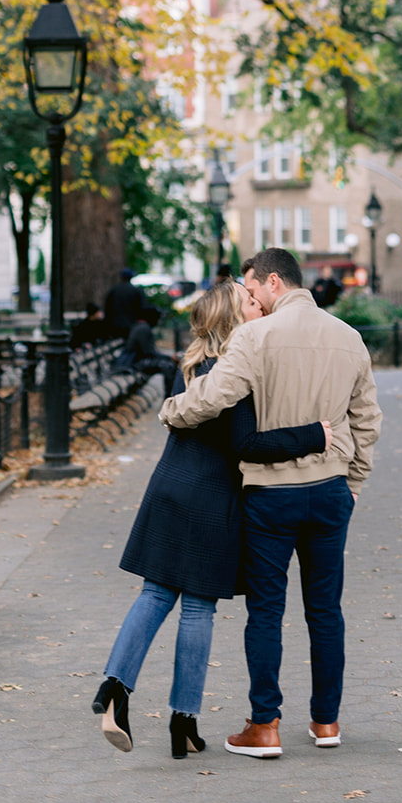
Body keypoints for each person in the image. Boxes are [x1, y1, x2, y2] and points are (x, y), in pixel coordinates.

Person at [160, 246, 382, 760]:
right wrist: (354, 484)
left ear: (274, 281)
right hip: (329, 492)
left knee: (266, 612)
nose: (250, 297)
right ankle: (326, 722)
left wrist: (172, 410)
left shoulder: (254, 337)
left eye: (252, 287)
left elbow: (213, 395)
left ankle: (265, 726)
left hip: (270, 495)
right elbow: (367, 419)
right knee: (326, 610)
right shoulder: (349, 337)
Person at [92, 283, 329, 760]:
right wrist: (315, 434)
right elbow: (246, 445)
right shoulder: (237, 370)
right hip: (212, 498)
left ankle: (114, 690)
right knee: (198, 609)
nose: (256, 303)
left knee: (155, 593)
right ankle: (183, 720)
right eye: (248, 300)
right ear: (233, 318)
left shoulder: (193, 361)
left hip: (168, 487)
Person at [116, 307, 179, 397]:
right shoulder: (143, 329)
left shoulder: (142, 326)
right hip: (135, 363)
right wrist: (169, 357)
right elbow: (149, 353)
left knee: (169, 365)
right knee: (169, 366)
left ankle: (170, 396)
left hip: (136, 360)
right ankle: (169, 397)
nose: (159, 321)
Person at [105, 268, 144, 339]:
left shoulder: (114, 290)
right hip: (131, 326)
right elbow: (142, 308)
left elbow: (107, 309)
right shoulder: (136, 291)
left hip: (114, 326)